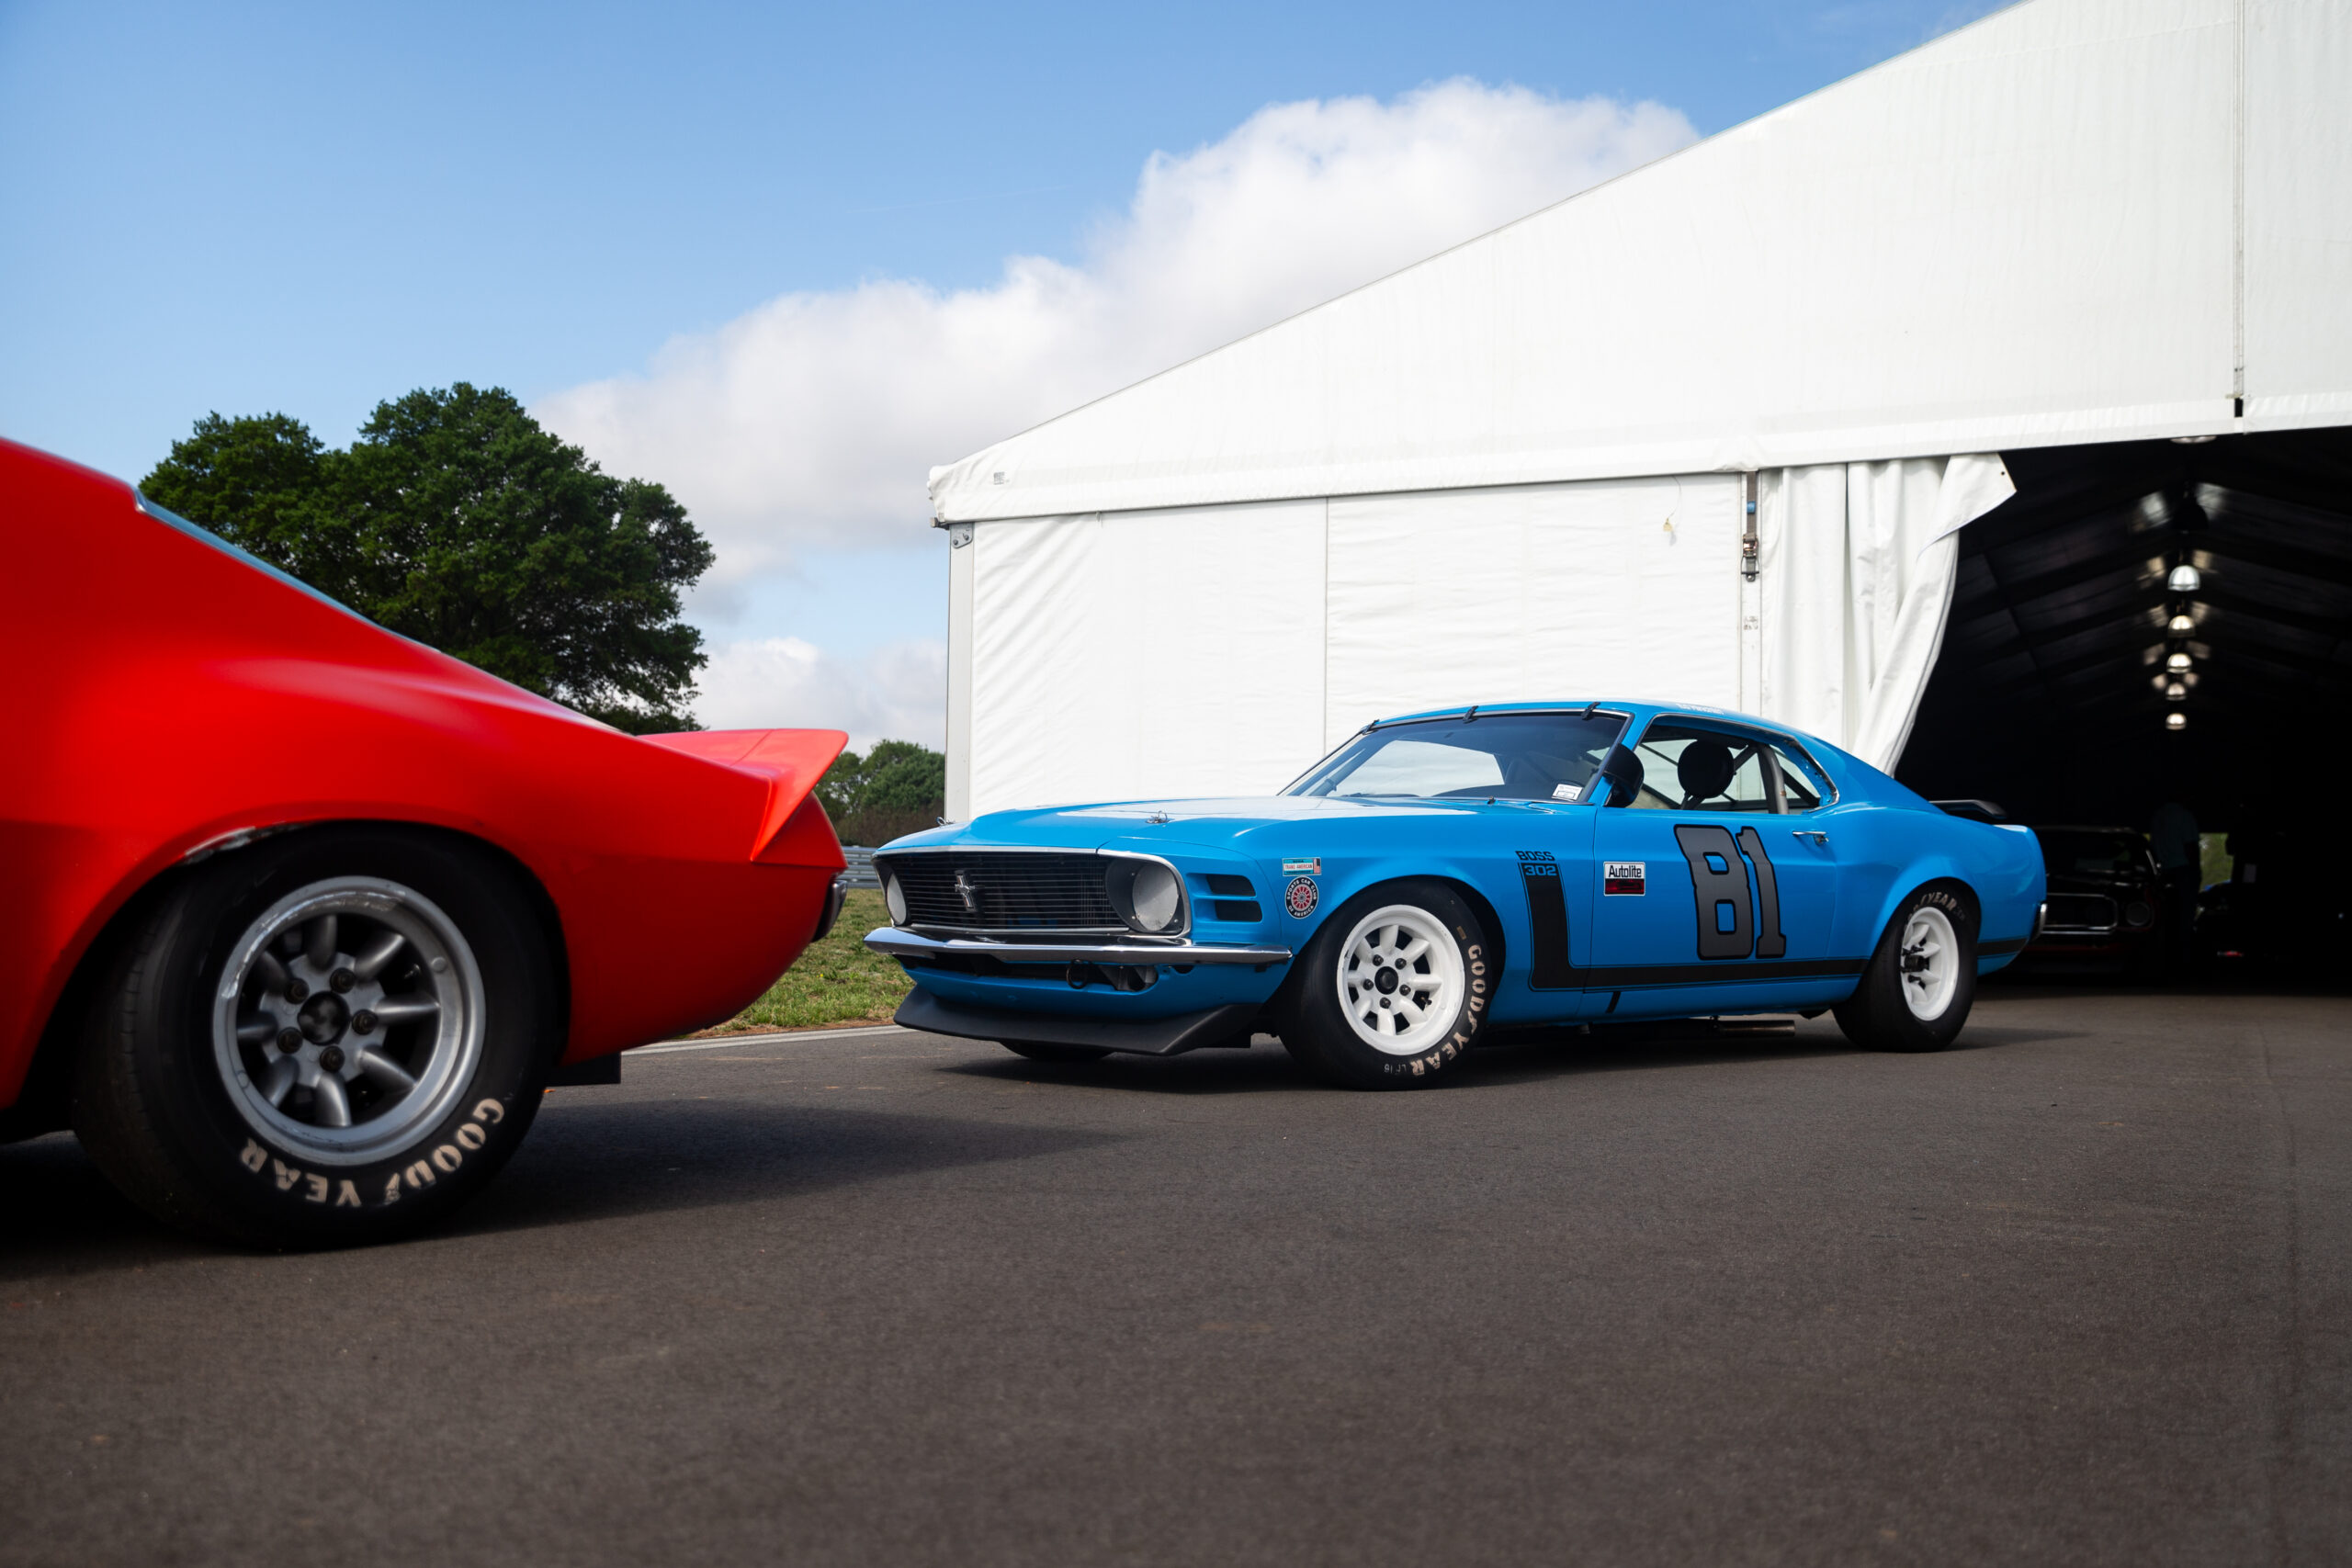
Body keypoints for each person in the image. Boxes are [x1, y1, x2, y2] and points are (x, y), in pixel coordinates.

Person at [2148, 799, 2200, 973]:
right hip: (2183, 870)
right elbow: (2190, 846)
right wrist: (2195, 871)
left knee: (2166, 917)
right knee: (2185, 917)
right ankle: (2184, 961)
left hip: (2163, 872)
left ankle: (2164, 959)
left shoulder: (2158, 817)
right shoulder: (2184, 816)